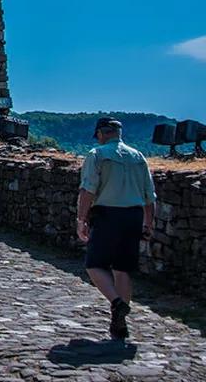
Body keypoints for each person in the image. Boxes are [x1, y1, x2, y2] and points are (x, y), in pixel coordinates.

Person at [76, 116, 156, 341]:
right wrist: (149, 223)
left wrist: (81, 219)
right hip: (133, 215)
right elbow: (149, 195)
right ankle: (119, 323)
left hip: (107, 214)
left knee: (94, 264)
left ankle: (117, 302)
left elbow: (88, 189)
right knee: (123, 269)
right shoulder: (138, 156)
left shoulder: (97, 155)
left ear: (101, 134)